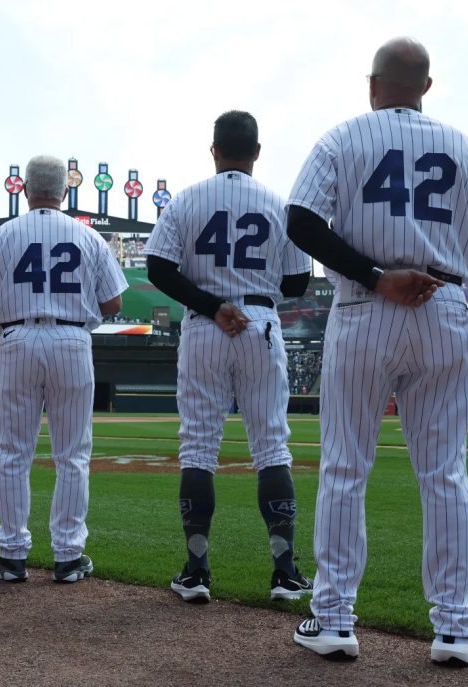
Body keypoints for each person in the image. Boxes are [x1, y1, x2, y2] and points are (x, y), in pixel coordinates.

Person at [285, 37, 468, 664]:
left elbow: (301, 222)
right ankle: (456, 629)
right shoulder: (463, 146)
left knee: (344, 467)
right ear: (427, 87)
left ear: (372, 83)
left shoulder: (341, 138)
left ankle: (332, 619)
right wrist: (438, 263)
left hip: (364, 307)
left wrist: (379, 275)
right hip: (441, 310)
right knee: (444, 473)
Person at [143, 111, 314, 603]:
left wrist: (215, 306)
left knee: (198, 447)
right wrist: (251, 295)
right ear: (256, 152)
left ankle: (196, 572)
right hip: (260, 326)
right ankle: (284, 572)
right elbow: (299, 281)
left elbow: (158, 267)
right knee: (272, 447)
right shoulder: (278, 204)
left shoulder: (189, 198)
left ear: (214, 150)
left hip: (203, 326)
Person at [0, 155, 128, 583]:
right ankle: (68, 556)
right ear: (64, 191)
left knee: (13, 454)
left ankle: (11, 555)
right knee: (72, 455)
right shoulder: (87, 235)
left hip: (18, 340)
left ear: (24, 188)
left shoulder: (2, 236)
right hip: (72, 340)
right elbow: (114, 302)